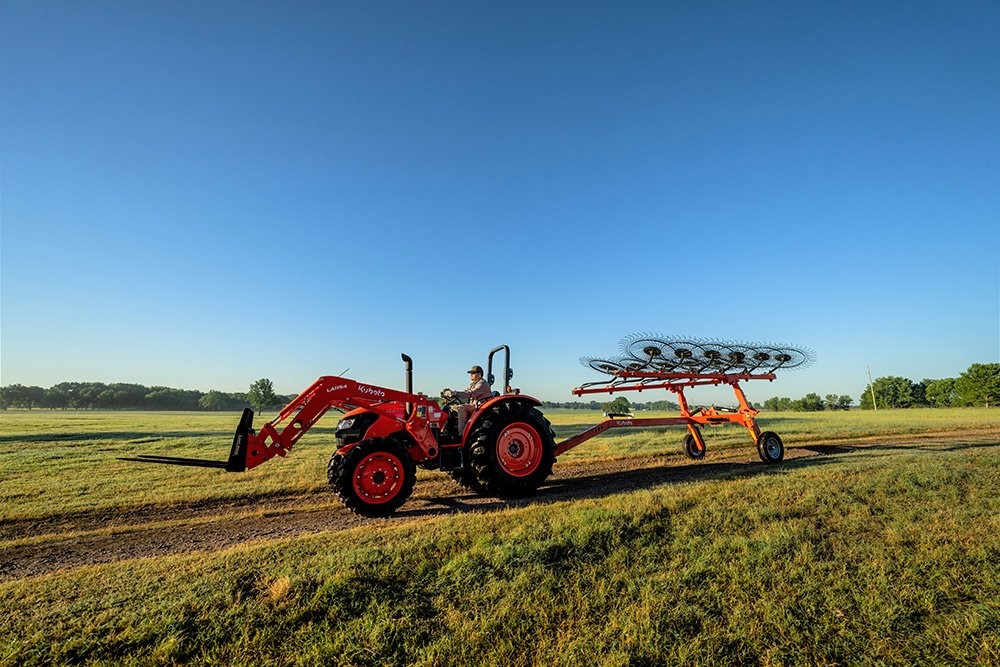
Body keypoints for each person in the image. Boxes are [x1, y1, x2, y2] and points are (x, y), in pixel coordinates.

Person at [441, 365, 493, 434]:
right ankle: (446, 430)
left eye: (473, 373)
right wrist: (451, 395)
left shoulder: (482, 384)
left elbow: (470, 393)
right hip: (474, 405)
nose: (471, 375)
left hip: (481, 406)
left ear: (479, 374)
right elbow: (465, 392)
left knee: (461, 407)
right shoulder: (472, 384)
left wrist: (454, 393)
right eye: (471, 373)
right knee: (449, 408)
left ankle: (462, 432)